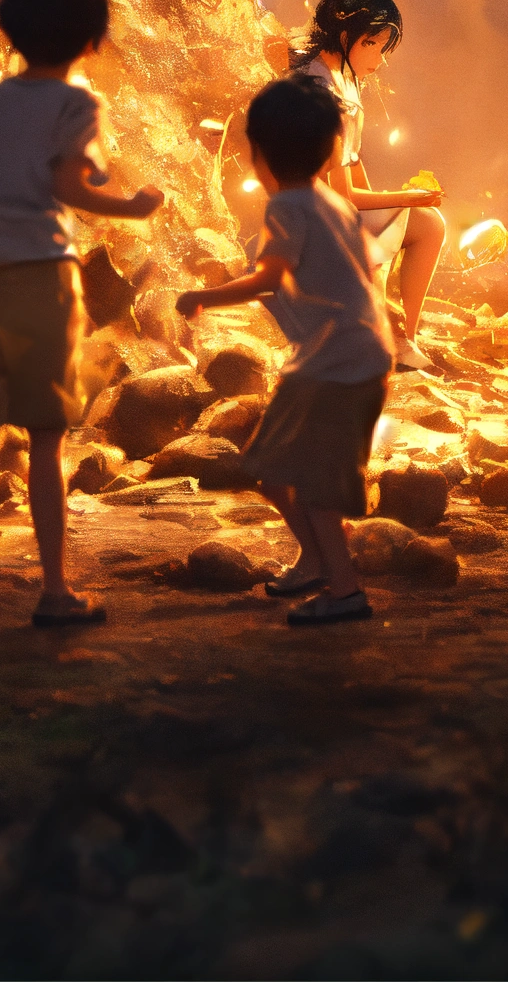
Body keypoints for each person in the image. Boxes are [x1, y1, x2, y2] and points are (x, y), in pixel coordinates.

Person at [0, 0, 163, 626]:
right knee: (47, 436)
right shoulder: (77, 103)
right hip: (40, 276)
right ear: (90, 37)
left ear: (11, 26)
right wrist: (133, 206)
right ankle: (54, 591)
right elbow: (68, 185)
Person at [176, 69, 395, 626]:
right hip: (348, 357)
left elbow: (270, 278)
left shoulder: (288, 207)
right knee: (270, 468)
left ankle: (345, 591)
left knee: (314, 485)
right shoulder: (334, 204)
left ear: (262, 154)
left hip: (337, 362)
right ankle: (317, 561)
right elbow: (355, 275)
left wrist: (203, 296)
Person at [293, 0, 446, 370]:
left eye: (383, 47)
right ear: (345, 37)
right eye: (372, 44)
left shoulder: (345, 80)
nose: (380, 58)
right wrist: (406, 199)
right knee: (401, 222)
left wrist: (395, 207)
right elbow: (343, 196)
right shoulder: (319, 93)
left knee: (428, 224)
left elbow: (352, 160)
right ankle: (377, 342)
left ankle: (405, 336)